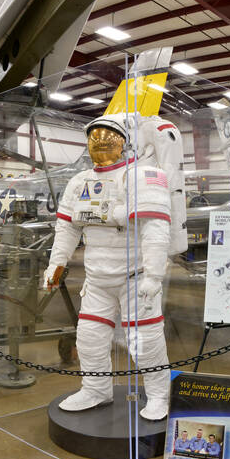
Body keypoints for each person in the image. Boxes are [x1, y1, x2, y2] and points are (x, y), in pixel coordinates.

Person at [45, 115, 176, 421]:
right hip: (97, 279)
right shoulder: (79, 183)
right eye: (95, 136)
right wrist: (56, 264)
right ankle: (95, 389)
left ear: (126, 142)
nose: (101, 141)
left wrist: (154, 275)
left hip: (135, 277)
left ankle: (158, 394)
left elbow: (155, 229)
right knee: (89, 338)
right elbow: (67, 229)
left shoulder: (144, 176)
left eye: (109, 136)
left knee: (144, 341)